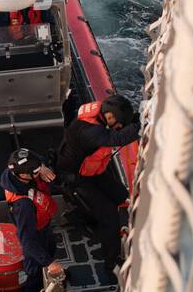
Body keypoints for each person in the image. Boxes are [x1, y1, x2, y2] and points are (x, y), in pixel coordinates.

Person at [57, 94, 140, 276]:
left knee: (120, 195)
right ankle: (111, 264)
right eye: (118, 123)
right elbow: (115, 139)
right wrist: (139, 127)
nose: (119, 126)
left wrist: (136, 117)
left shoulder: (97, 118)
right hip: (77, 179)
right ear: (109, 116)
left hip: (93, 172)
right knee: (109, 214)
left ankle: (84, 215)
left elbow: (116, 132)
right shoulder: (90, 131)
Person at [1, 148, 59, 292]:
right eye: (35, 171)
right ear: (23, 175)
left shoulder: (14, 173)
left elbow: (32, 157)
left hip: (43, 224)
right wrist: (49, 263)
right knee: (34, 268)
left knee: (51, 247)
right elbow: (27, 241)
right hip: (34, 232)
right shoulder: (23, 205)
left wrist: (42, 166)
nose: (39, 173)